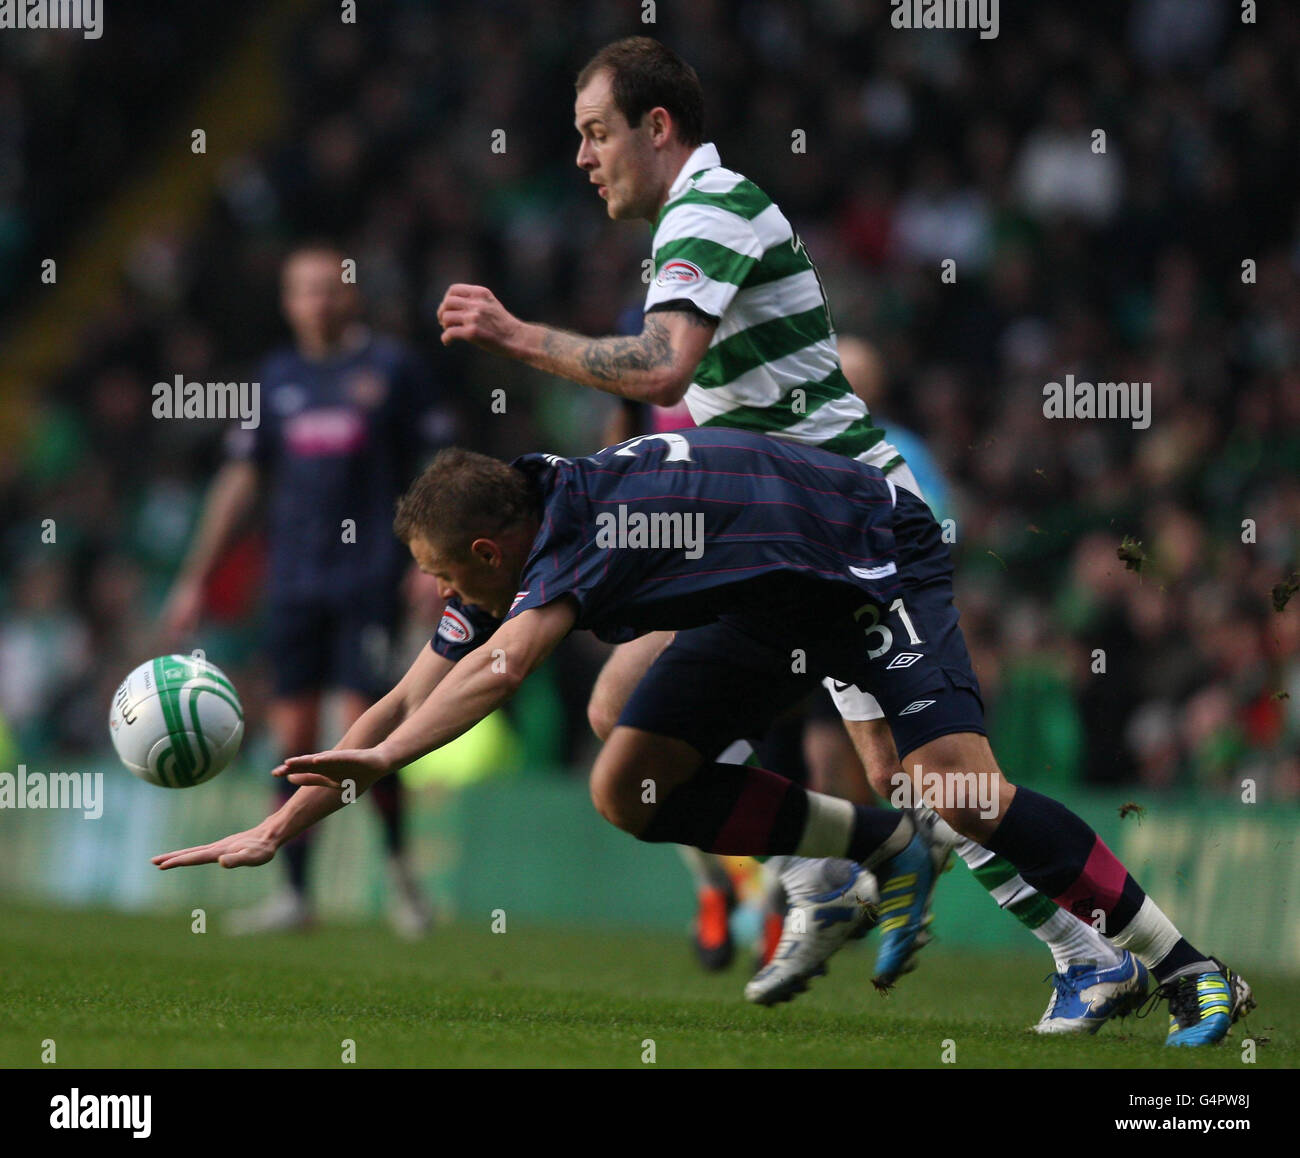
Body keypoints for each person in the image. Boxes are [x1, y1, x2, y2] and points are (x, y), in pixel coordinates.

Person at [435, 36, 1134, 1026]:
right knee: (622, 714)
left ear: (658, 126)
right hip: (782, 539)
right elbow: (671, 390)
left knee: (930, 778)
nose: (583, 158)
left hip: (843, 536)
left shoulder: (713, 210)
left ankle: (1084, 945)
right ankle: (834, 874)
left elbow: (662, 367)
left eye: (596, 134)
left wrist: (517, 337)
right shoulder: (685, 232)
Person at [154, 430, 1255, 1047]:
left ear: (489, 553)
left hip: (869, 561)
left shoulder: (567, 547)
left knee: (962, 794)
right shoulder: (520, 517)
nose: (441, 592)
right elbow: (400, 700)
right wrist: (279, 824)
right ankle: (869, 848)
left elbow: (496, 671)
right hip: (771, 605)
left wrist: (384, 765)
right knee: (625, 784)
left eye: (447, 575)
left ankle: (1185, 966)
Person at [163, 241, 451, 936]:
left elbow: (438, 466)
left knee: (361, 728)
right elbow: (240, 481)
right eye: (304, 290)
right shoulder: (276, 377)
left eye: (330, 288)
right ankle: (294, 895)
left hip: (369, 579)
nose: (318, 301)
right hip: (293, 580)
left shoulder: (391, 370)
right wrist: (194, 578)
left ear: (350, 295)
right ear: (288, 302)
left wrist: (432, 560)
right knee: (292, 736)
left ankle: (404, 878)